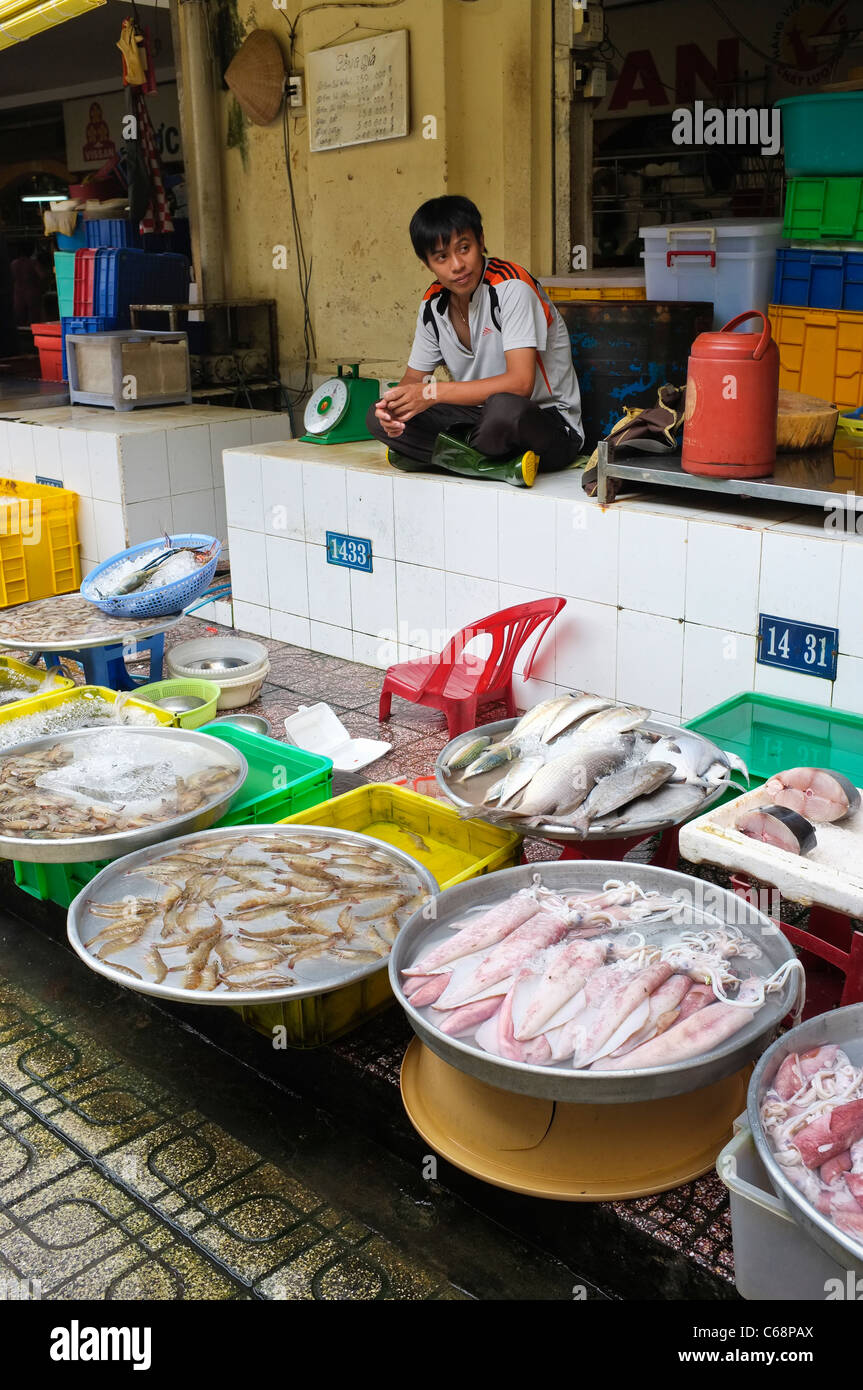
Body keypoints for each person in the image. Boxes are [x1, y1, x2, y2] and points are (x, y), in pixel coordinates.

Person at [367, 195, 583, 487]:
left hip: (546, 423)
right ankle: (496, 465)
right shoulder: (432, 305)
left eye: (464, 248)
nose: (457, 265)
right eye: (442, 257)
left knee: (505, 411)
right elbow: (413, 382)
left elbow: (520, 384)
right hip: (479, 421)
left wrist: (431, 394)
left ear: (481, 241)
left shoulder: (511, 286)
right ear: (427, 263)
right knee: (374, 414)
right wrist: (393, 410)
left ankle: (448, 456)